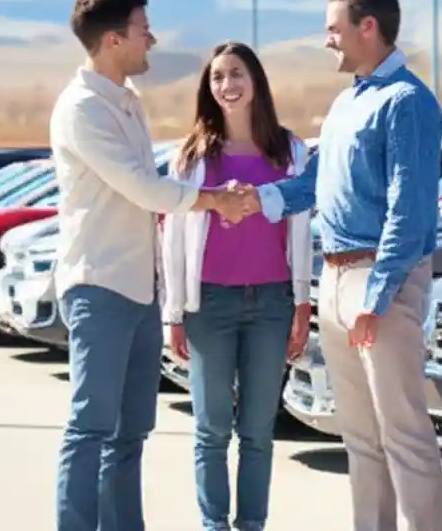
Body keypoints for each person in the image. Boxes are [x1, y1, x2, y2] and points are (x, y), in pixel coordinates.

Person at [228, 0, 442, 531]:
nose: (327, 40)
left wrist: (377, 296)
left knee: (405, 435)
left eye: (334, 29)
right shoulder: (349, 100)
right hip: (335, 277)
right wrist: (259, 200)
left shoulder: (408, 103)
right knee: (361, 437)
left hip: (381, 280)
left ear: (367, 27)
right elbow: (317, 184)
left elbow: (410, 212)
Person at [49, 0, 254, 531]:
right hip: (100, 287)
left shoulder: (127, 99)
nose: (152, 38)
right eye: (143, 29)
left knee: (130, 431)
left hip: (140, 291)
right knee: (90, 427)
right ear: (114, 40)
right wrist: (212, 200)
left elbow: (155, 187)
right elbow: (141, 188)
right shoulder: (82, 109)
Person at [159, 42, 314, 531]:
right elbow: (173, 238)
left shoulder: (291, 151)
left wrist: (302, 302)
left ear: (256, 82)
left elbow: (302, 229)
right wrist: (174, 313)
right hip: (210, 305)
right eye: (218, 77)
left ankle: (252, 525)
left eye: (237, 74)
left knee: (257, 432)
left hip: (272, 303)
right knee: (210, 429)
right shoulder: (192, 156)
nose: (227, 85)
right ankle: (213, 525)